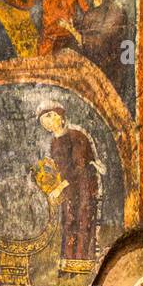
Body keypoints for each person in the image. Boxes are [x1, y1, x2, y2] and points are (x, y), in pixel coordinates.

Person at [38, 105, 103, 276]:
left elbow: (79, 166)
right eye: (44, 119)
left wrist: (60, 186)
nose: (48, 121)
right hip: (67, 188)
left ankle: (81, 265)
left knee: (82, 221)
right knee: (68, 222)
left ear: (60, 116)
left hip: (83, 185)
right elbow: (57, 168)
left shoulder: (76, 136)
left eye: (50, 116)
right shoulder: (54, 142)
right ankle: (67, 266)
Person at [79, 0, 129, 97]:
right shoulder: (89, 12)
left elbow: (101, 43)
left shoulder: (115, 11)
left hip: (108, 73)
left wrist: (73, 32)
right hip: (90, 69)